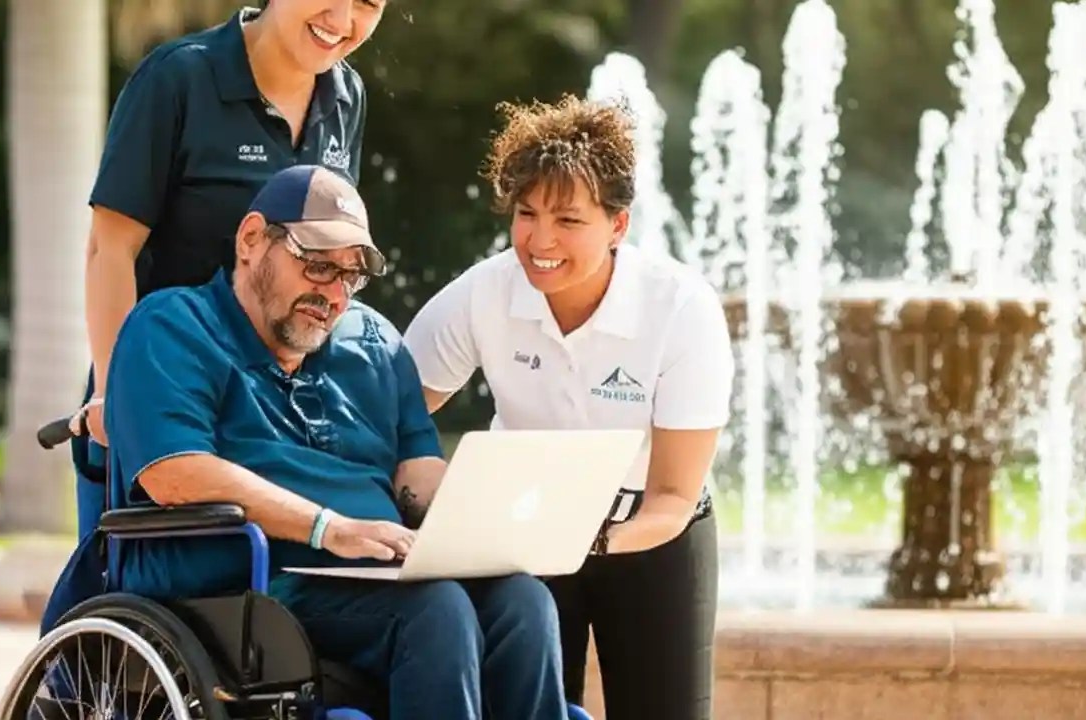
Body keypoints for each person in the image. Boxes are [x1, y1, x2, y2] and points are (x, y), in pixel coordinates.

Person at [99, 164, 571, 720]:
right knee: (434, 610)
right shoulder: (173, 324)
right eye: (318, 266)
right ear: (252, 240)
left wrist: (494, 521)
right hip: (244, 589)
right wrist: (330, 528)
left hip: (373, 579)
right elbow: (175, 472)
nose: (333, 294)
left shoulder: (373, 343)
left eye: (350, 277)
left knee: (523, 601)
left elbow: (415, 477)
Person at [402, 95, 735, 719]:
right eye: (526, 214)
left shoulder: (682, 308)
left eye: (568, 220)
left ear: (618, 225)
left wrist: (592, 540)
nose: (540, 240)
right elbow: (391, 407)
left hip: (655, 537)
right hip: (526, 536)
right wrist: (427, 491)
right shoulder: (486, 292)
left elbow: (672, 496)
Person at [72, 0, 388, 540]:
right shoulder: (177, 79)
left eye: (368, 3)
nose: (342, 18)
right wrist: (113, 393)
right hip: (167, 389)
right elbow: (110, 249)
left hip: (276, 408)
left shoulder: (346, 97)